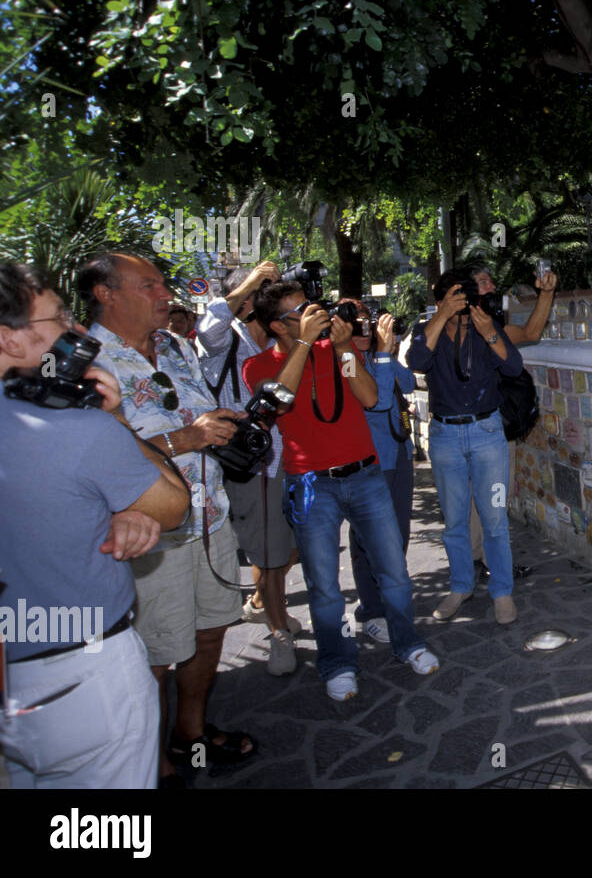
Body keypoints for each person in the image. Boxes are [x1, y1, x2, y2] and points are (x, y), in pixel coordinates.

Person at [0, 262, 190, 788]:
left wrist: (110, 505)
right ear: (10, 339)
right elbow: (172, 506)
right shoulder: (76, 426)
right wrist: (114, 419)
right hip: (82, 679)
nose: (76, 329)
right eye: (59, 318)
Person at [74, 249, 257, 784]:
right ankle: (152, 763)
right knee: (153, 654)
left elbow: (194, 414)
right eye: (149, 285)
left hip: (211, 520)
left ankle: (190, 735)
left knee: (210, 632)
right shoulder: (85, 363)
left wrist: (223, 423)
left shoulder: (176, 345)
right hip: (148, 538)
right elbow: (90, 458)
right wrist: (187, 438)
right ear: (106, 294)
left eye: (162, 284)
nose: (166, 295)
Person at [244, 282, 437, 702]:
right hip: (310, 483)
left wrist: (345, 349)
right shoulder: (258, 365)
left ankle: (408, 642)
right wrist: (304, 344)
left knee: (394, 571)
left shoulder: (335, 352)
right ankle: (338, 662)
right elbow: (278, 402)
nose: (314, 314)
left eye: (312, 307)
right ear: (277, 325)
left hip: (365, 474)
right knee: (325, 587)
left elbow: (369, 397)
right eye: (301, 311)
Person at [196, 260, 302, 676]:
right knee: (268, 554)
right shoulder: (225, 340)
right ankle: (279, 632)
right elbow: (208, 327)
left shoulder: (282, 337)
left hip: (293, 458)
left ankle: (261, 603)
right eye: (263, 288)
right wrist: (252, 279)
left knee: (290, 548)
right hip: (253, 466)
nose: (270, 292)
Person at [406, 268, 524, 625]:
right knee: (454, 520)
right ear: (441, 299)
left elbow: (513, 367)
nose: (463, 303)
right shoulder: (428, 330)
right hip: (445, 436)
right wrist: (442, 315)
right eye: (454, 297)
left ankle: (502, 592)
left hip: (487, 432)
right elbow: (416, 362)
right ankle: (460, 586)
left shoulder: (485, 326)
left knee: (495, 518)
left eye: (465, 295)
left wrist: (489, 333)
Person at [461, 263, 556, 577]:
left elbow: (530, 333)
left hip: (497, 428)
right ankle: (485, 561)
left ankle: (484, 559)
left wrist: (546, 293)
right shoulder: (452, 329)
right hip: (470, 430)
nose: (491, 287)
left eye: (491, 281)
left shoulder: (494, 329)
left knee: (496, 495)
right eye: (483, 282)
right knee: (482, 496)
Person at [339, 299, 417, 646]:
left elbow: (408, 383)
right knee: (368, 539)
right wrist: (382, 357)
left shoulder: (377, 355)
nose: (366, 329)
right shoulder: (344, 361)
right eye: (357, 324)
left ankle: (390, 595)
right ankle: (371, 609)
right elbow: (379, 400)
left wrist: (388, 352)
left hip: (398, 452)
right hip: (369, 459)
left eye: (367, 323)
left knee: (399, 532)